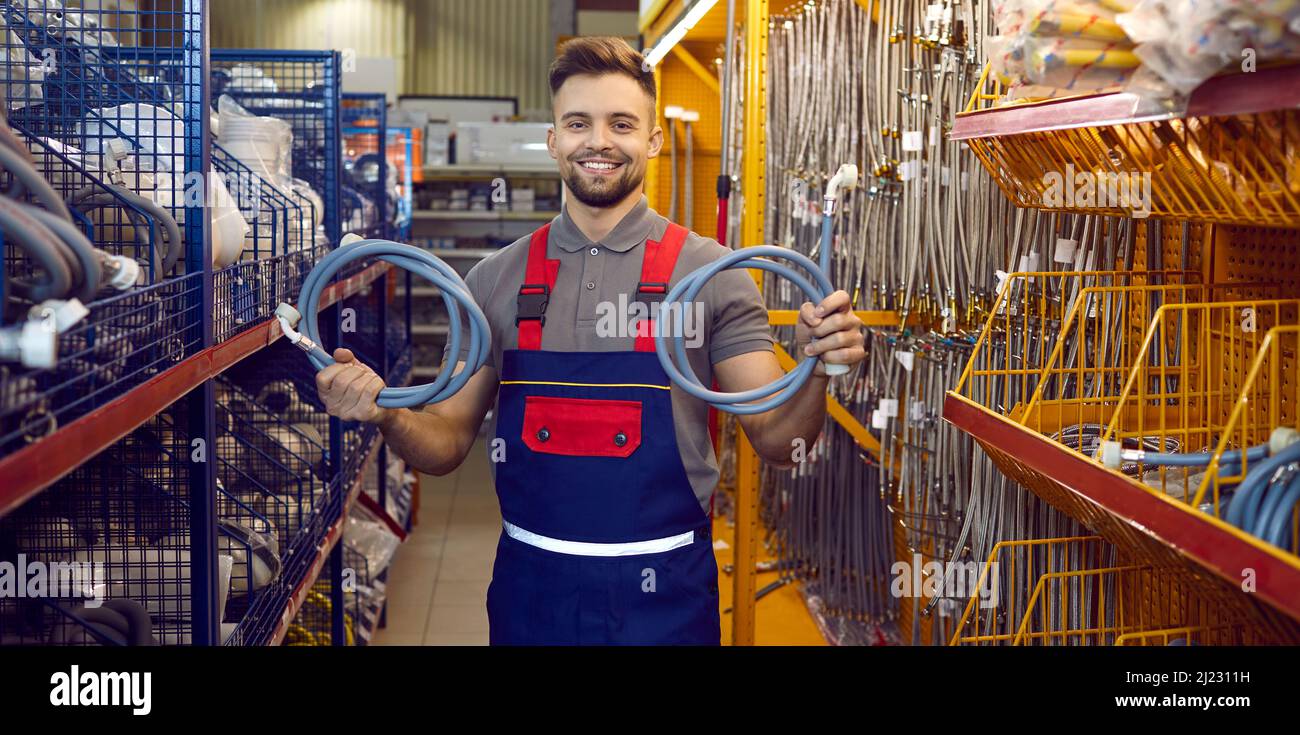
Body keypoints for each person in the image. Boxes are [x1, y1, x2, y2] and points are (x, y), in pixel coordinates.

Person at [315, 36, 865, 645]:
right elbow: (444, 444)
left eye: (622, 123)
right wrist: (385, 413)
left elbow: (780, 442)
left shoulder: (711, 276)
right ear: (554, 140)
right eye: (579, 123)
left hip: (666, 599)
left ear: (652, 141)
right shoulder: (496, 280)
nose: (599, 142)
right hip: (533, 594)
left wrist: (817, 369)